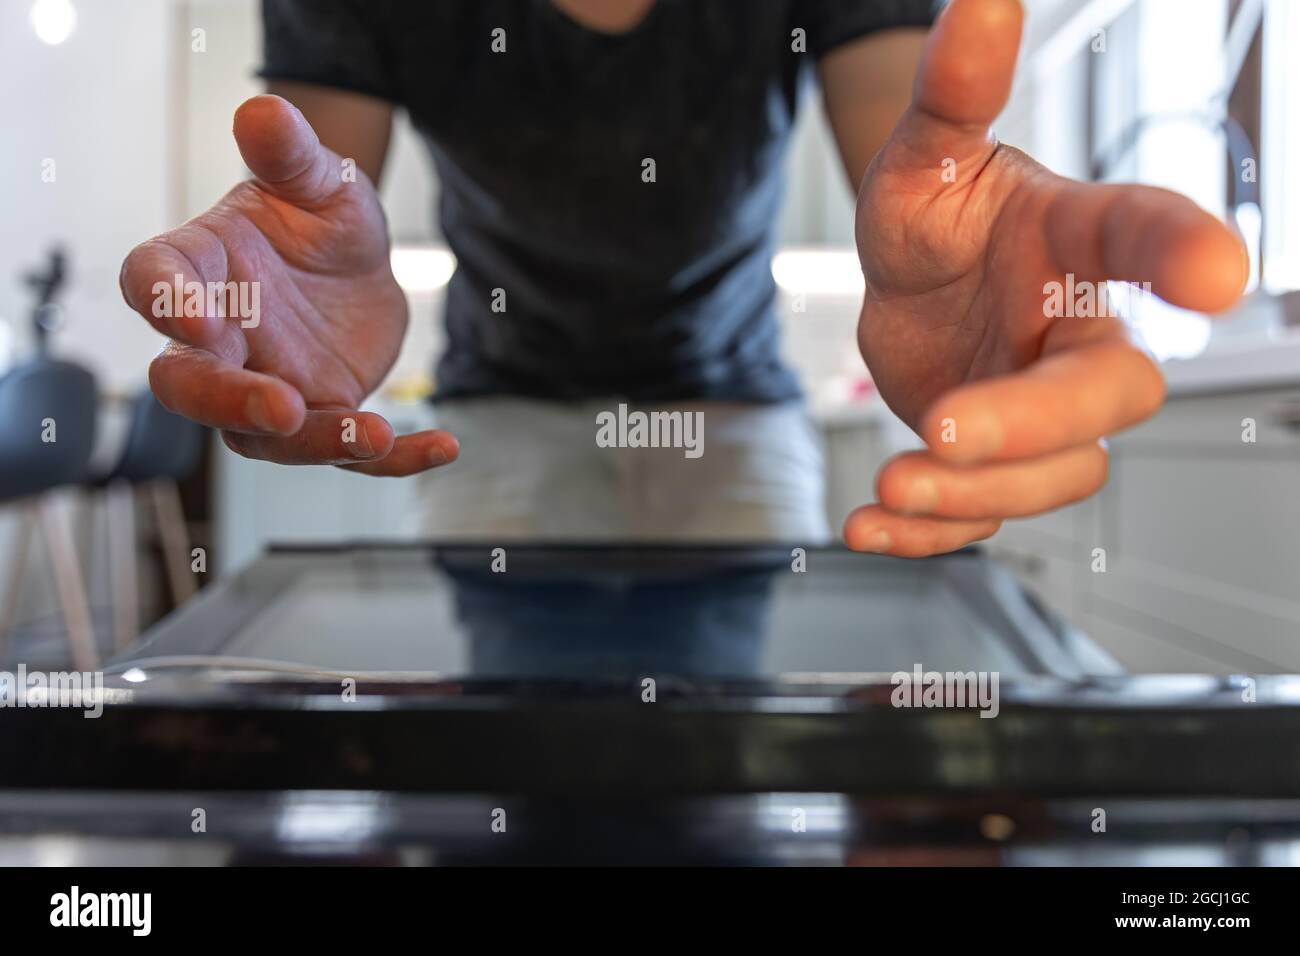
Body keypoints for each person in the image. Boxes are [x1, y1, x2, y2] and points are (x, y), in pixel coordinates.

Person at [119, 0, 1246, 555]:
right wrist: (288, 289)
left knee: (726, 765)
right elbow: (315, 191)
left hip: (735, 419)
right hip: (494, 420)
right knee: (510, 772)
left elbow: (922, 158)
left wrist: (974, 257)